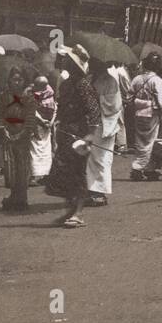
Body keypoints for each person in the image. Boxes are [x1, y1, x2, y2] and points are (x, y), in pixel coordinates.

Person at [47, 46, 101, 227]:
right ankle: (70, 210)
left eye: (67, 59)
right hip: (64, 132)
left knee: (78, 172)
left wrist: (91, 135)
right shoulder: (67, 84)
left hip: (79, 134)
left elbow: (94, 112)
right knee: (65, 172)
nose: (63, 61)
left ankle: (78, 213)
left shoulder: (84, 85)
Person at [0, 65, 38, 213]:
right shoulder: (4, 96)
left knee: (22, 167)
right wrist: (2, 129)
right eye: (14, 79)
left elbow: (31, 117)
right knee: (10, 168)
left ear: (24, 81)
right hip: (8, 133)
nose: (17, 82)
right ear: (9, 80)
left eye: (20, 80)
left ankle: (22, 199)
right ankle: (14, 196)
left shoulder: (28, 97)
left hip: (23, 135)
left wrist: (24, 132)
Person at [127, 53, 162, 181]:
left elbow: (129, 97)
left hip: (138, 112)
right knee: (151, 142)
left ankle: (148, 168)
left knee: (140, 142)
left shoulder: (137, 79)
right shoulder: (156, 80)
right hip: (152, 113)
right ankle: (140, 167)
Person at [88, 61, 124, 205]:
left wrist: (96, 99)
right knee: (91, 158)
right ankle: (91, 189)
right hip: (94, 122)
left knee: (102, 158)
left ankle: (99, 191)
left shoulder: (110, 81)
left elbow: (113, 104)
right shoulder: (91, 79)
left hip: (105, 123)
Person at [29, 73, 56, 183]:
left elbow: (32, 110)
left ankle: (36, 174)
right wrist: (50, 122)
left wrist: (41, 121)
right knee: (46, 148)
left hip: (38, 124)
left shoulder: (34, 95)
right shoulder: (50, 94)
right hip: (47, 125)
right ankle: (46, 173)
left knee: (36, 148)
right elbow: (55, 110)